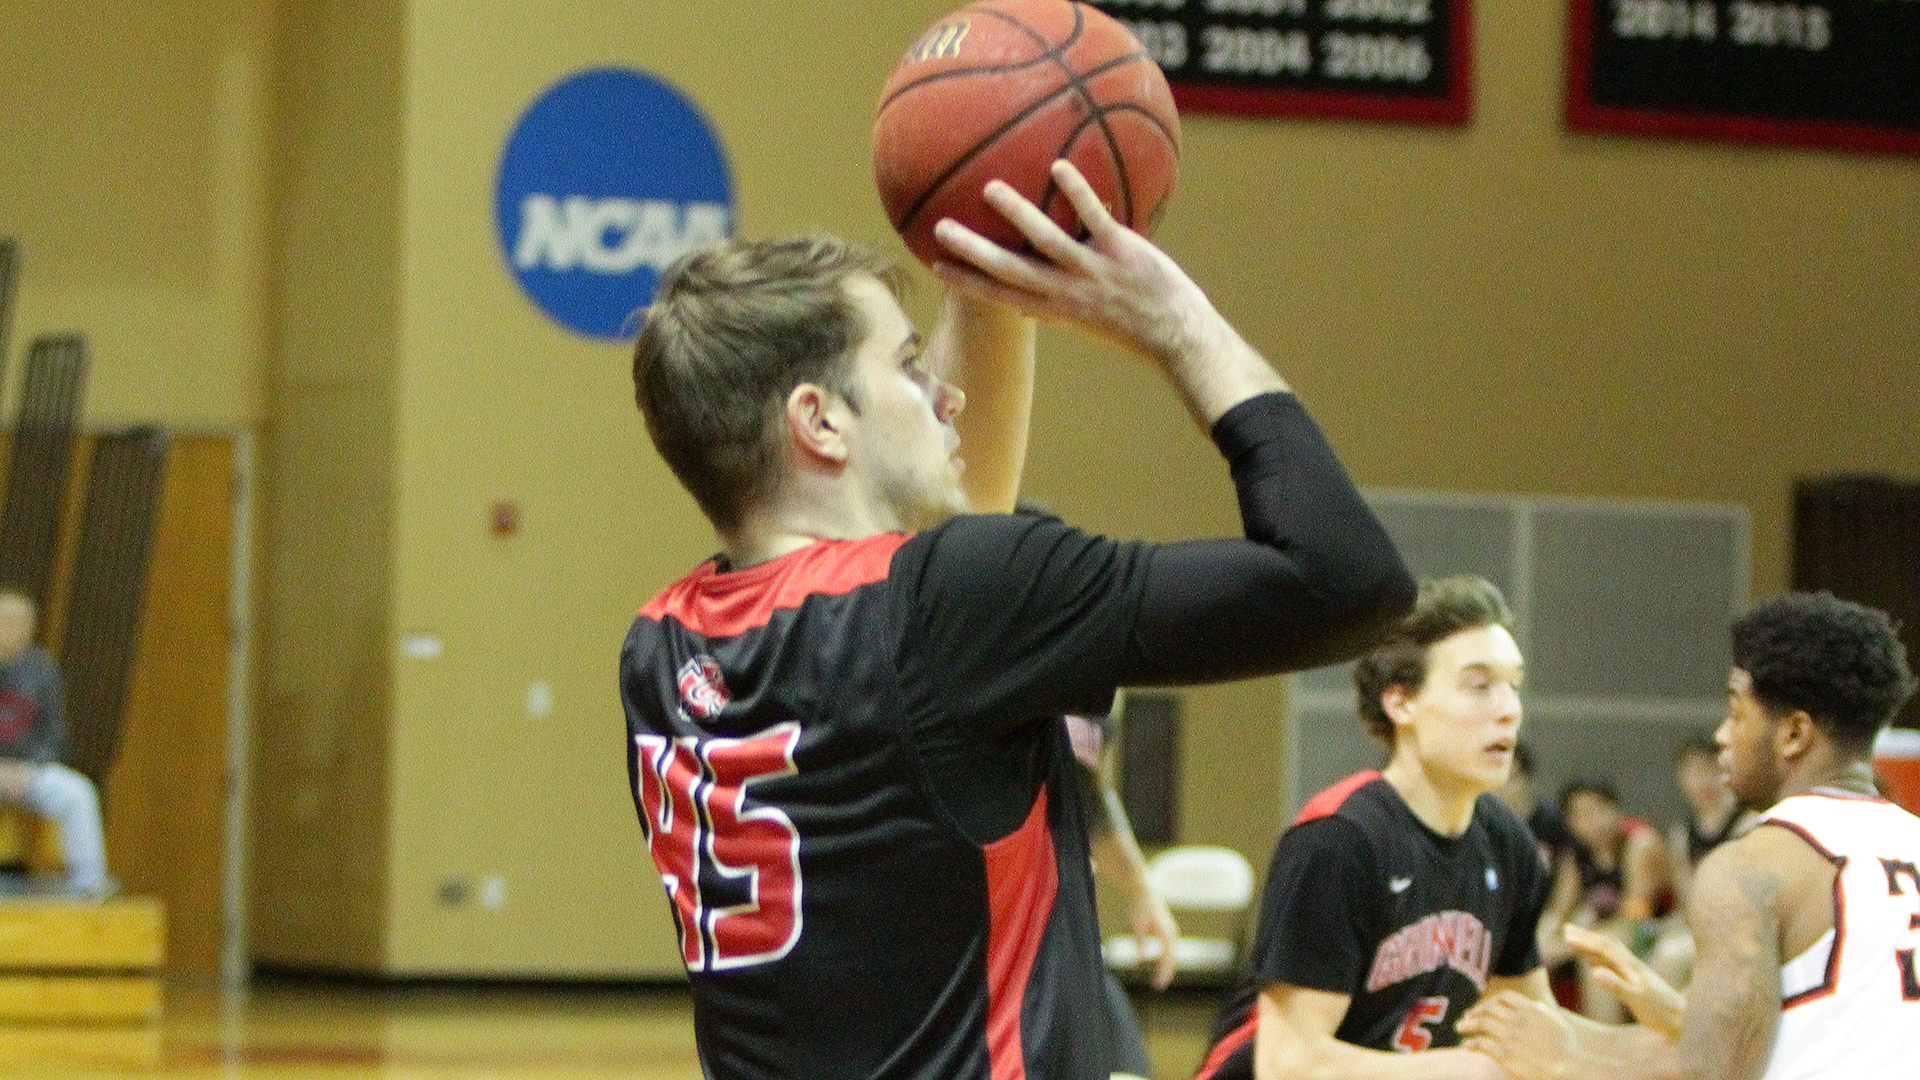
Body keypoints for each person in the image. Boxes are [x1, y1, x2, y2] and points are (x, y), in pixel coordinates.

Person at [620, 161, 1417, 1080]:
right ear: (821, 422)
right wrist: (1173, 322)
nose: (945, 395)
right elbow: (1347, 577)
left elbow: (945, 544)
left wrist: (990, 271)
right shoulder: (950, 602)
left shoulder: (660, 646)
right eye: (907, 366)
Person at [1193, 576, 1659, 1080]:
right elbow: (1288, 1064)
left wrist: (1673, 1046)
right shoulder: (1338, 841)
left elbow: (1535, 1034)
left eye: (1513, 686)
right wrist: (1468, 1071)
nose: (1509, 710)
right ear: (1401, 703)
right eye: (1479, 686)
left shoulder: (1507, 843)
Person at [1457, 591, 1920, 1080]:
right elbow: (1834, 1031)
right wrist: (1679, 1017)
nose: (1722, 735)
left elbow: (1712, 1072)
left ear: (1793, 735)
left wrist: (1566, 1057)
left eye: (1736, 714)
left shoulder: (1752, 865)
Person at [0, 588, 115, 899]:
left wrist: (29, 768)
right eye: (6, 620)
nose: (13, 628)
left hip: (28, 772)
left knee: (78, 794)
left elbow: (54, 733)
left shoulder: (42, 670)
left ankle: (90, 884)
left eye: (20, 622)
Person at [1538, 779, 1674, 1019]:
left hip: (1652, 930)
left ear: (1615, 810)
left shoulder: (1639, 843)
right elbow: (1559, 909)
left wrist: (1580, 938)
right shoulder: (1577, 854)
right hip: (1602, 930)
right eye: (1582, 815)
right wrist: (1547, 936)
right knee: (1539, 941)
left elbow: (1637, 913)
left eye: (1599, 809)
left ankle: (1605, 1031)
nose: (1595, 821)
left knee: (1597, 956)